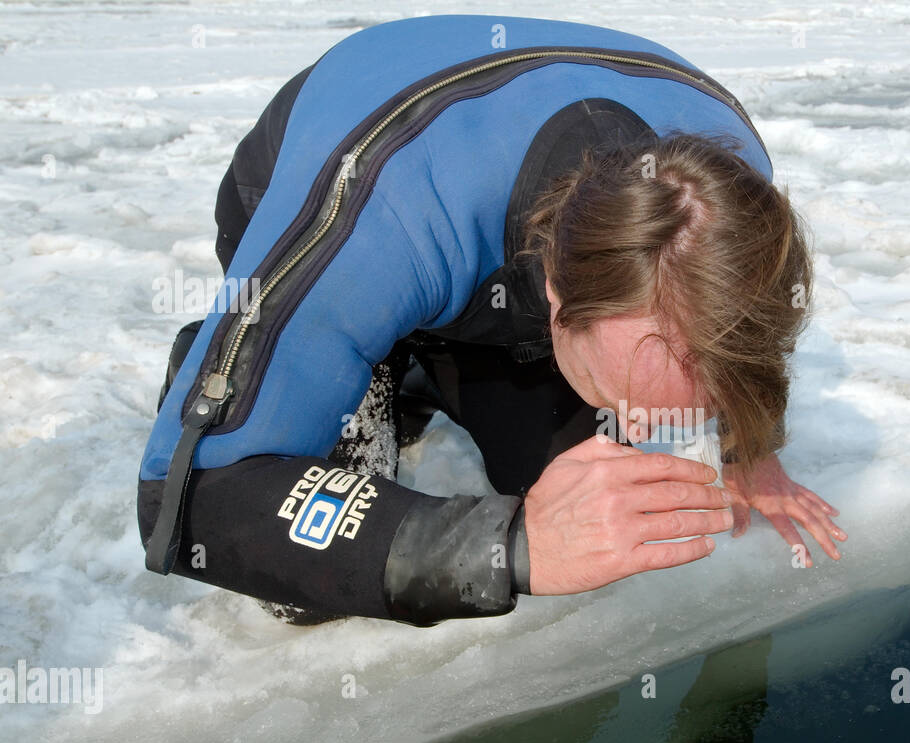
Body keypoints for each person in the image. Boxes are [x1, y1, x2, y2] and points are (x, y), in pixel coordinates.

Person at [138, 14, 845, 627]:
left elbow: (742, 337)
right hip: (332, 192)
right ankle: (263, 358)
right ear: (556, 300)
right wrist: (510, 544)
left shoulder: (733, 188)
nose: (646, 431)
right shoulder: (376, 219)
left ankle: (424, 370)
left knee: (560, 476)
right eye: (626, 395)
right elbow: (192, 494)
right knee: (313, 594)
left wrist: (749, 442)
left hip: (483, 233)